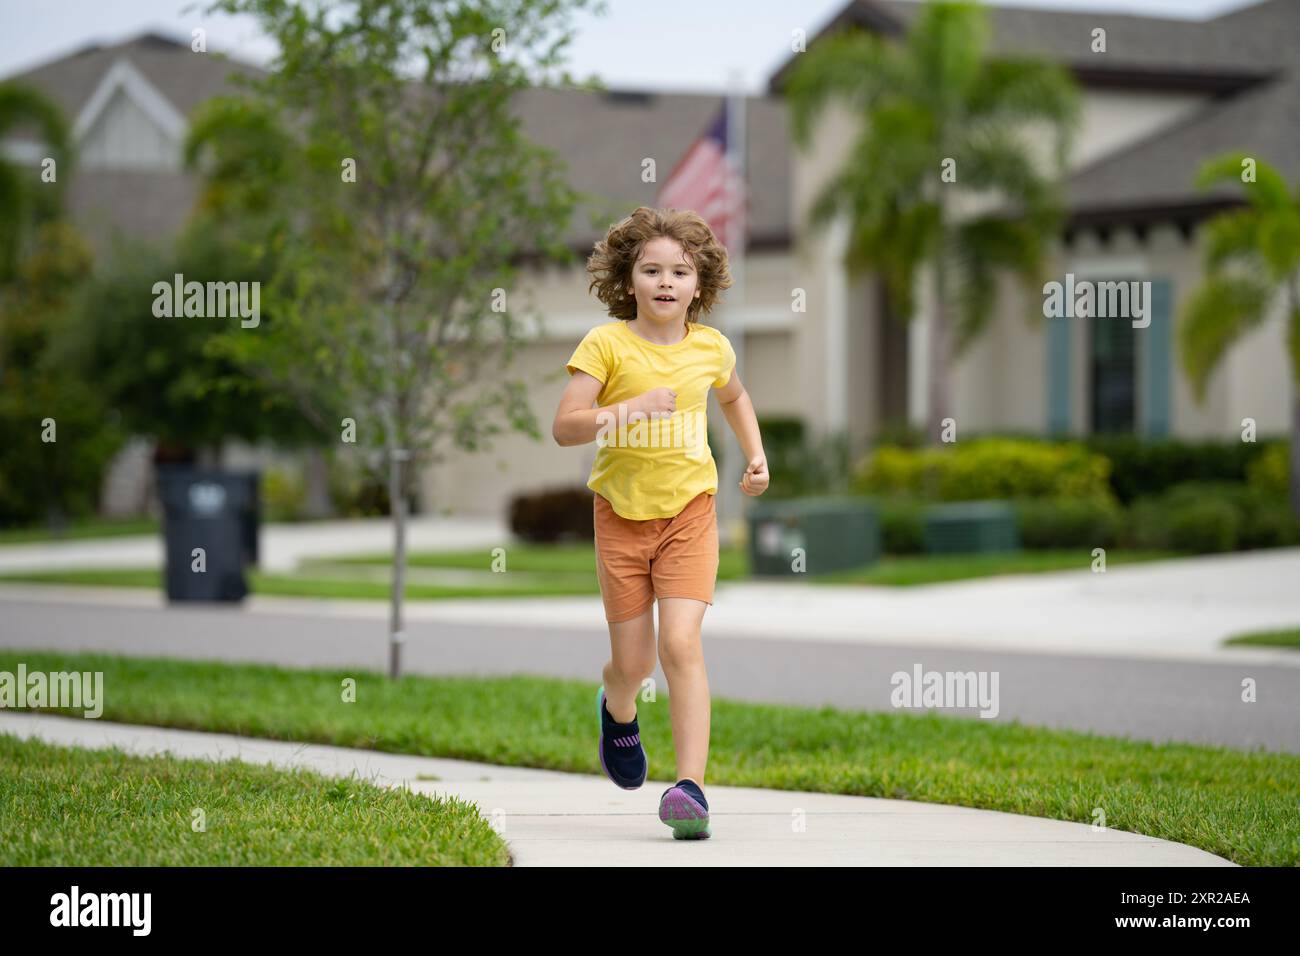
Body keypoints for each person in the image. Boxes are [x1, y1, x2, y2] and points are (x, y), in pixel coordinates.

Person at [552, 205, 769, 840]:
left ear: (700, 285)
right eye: (651, 270)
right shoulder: (606, 344)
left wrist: (755, 456)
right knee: (635, 664)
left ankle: (692, 789)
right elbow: (565, 427)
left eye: (680, 271)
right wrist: (627, 409)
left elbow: (735, 397)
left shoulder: (711, 348)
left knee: (680, 643)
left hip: (690, 515)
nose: (666, 281)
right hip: (620, 518)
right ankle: (618, 713)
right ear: (629, 279)